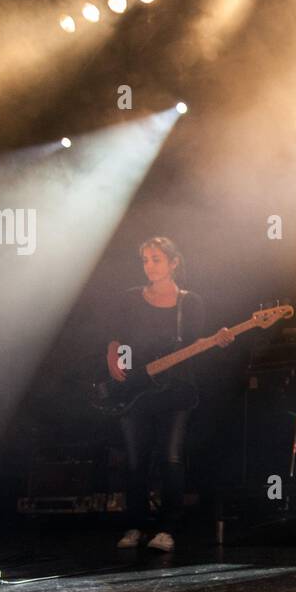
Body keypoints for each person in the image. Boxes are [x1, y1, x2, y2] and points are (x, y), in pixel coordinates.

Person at [105, 236, 230, 553]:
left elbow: (194, 343)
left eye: (156, 259)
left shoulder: (190, 302)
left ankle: (167, 529)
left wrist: (219, 340)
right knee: (136, 461)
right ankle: (135, 525)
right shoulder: (130, 299)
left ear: (174, 263)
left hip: (176, 389)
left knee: (170, 457)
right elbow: (116, 338)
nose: (149, 265)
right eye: (145, 259)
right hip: (136, 388)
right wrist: (114, 358)